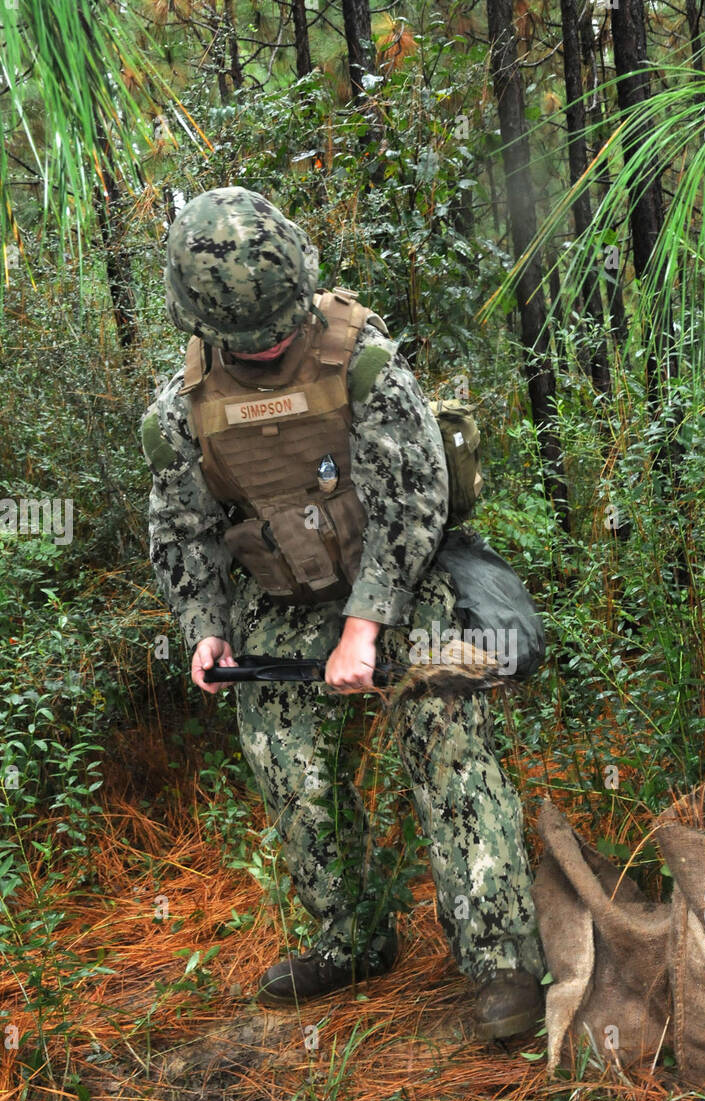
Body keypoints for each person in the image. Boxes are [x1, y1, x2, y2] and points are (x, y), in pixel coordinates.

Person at [141, 185, 545, 1040]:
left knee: (447, 741)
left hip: (395, 581)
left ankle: (502, 958)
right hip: (285, 593)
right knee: (284, 756)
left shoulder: (362, 362)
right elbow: (183, 530)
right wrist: (205, 628)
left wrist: (366, 627)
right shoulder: (182, 409)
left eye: (281, 330)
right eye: (248, 343)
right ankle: (352, 936)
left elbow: (413, 502)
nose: (270, 349)